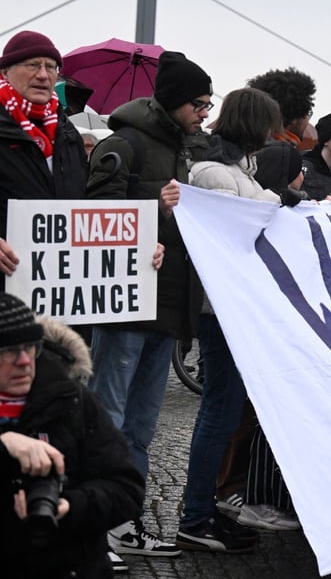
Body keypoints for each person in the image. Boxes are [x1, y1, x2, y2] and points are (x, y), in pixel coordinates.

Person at [85, 50, 213, 557]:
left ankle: (124, 521)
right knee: (108, 416)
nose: (206, 112)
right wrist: (150, 212)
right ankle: (94, 526)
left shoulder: (183, 149)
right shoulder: (125, 143)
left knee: (141, 425)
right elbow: (91, 215)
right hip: (125, 305)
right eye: (200, 103)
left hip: (167, 307)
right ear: (177, 101)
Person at [176, 88, 286, 553]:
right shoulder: (215, 175)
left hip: (232, 309)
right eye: (268, 125)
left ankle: (203, 510)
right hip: (218, 310)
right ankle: (195, 516)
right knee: (219, 411)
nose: (271, 135)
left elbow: (271, 204)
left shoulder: (236, 171)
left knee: (224, 410)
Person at [1, 292, 145, 578]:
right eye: (8, 351)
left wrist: (71, 506)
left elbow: (127, 489)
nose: (24, 361)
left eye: (30, 347)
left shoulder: (74, 400)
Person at [0, 31, 88, 288]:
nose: (43, 75)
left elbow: (88, 201)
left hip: (57, 290)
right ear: (5, 72)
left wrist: (136, 244)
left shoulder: (68, 132)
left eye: (51, 67)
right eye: (32, 65)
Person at [247, 67, 317, 150]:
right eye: (307, 114)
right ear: (294, 118)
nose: (307, 121)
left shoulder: (246, 145)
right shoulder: (284, 155)